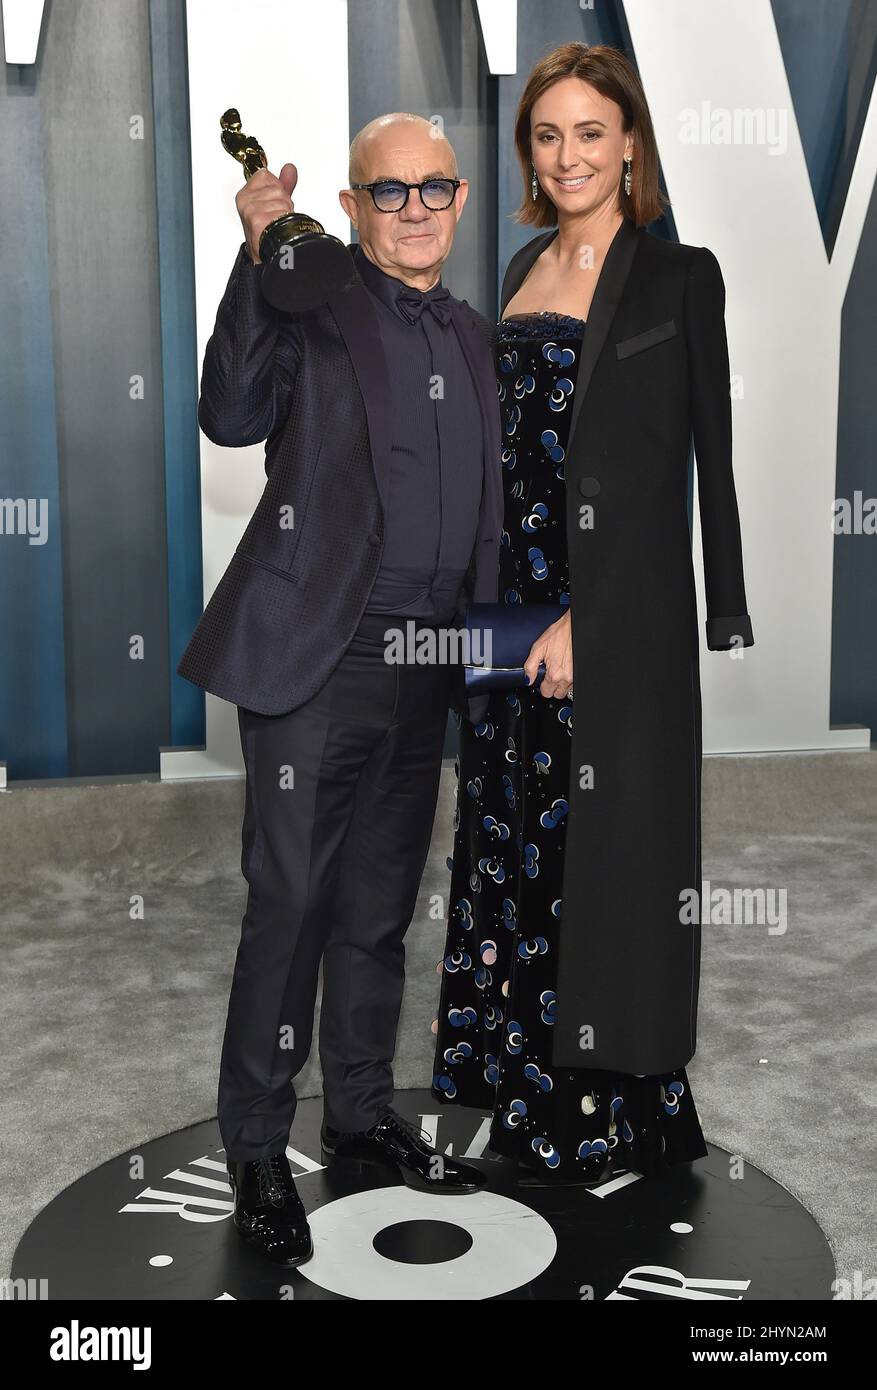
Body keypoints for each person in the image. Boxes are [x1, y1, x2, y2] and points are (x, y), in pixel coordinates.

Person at [178, 112, 504, 1265]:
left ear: (461, 202)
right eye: (389, 193)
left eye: (434, 190)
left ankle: (362, 1113)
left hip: (428, 668)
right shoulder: (309, 302)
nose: (414, 210)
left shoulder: (471, 335)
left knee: (376, 910)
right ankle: (261, 1146)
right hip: (317, 657)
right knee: (291, 908)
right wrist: (256, 260)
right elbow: (229, 416)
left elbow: (486, 515)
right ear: (356, 209)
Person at [432, 43, 754, 1184]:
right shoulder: (519, 261)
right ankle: (518, 1086)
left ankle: (602, 1109)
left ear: (630, 147)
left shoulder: (678, 278)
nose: (568, 154)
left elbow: (696, 473)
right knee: (509, 840)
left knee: (600, 858)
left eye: (590, 133)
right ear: (530, 151)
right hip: (501, 609)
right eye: (548, 134)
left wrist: (595, 620)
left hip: (599, 620)